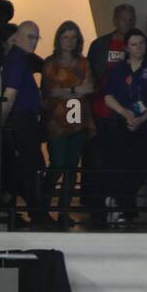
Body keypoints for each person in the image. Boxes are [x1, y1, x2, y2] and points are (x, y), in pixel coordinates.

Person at [101, 28, 147, 226]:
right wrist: (124, 113)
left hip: (144, 125)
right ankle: (124, 208)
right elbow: (108, 96)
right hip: (120, 123)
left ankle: (124, 205)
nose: (139, 48)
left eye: (142, 44)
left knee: (141, 167)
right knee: (120, 165)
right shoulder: (118, 69)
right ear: (127, 47)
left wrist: (142, 118)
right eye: (134, 44)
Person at [83, 3, 137, 227]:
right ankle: (97, 207)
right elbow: (90, 74)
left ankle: (121, 206)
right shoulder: (100, 45)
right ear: (115, 20)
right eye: (124, 18)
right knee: (97, 161)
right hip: (100, 111)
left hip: (124, 114)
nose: (127, 23)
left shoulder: (136, 45)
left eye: (130, 19)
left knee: (122, 161)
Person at [41, 20, 93, 227]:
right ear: (59, 39)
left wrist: (67, 91)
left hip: (78, 120)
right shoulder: (50, 63)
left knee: (72, 168)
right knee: (57, 166)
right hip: (56, 121)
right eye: (65, 36)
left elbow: (89, 87)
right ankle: (42, 209)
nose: (69, 41)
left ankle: (64, 212)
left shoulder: (83, 62)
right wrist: (75, 90)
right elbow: (50, 91)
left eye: (73, 37)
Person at [0, 21, 46, 226]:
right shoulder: (17, 61)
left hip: (23, 122)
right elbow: (9, 95)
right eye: (30, 37)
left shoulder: (20, 60)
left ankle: (24, 214)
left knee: (22, 170)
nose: (34, 42)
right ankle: (36, 215)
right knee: (30, 169)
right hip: (20, 124)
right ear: (17, 37)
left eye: (37, 38)